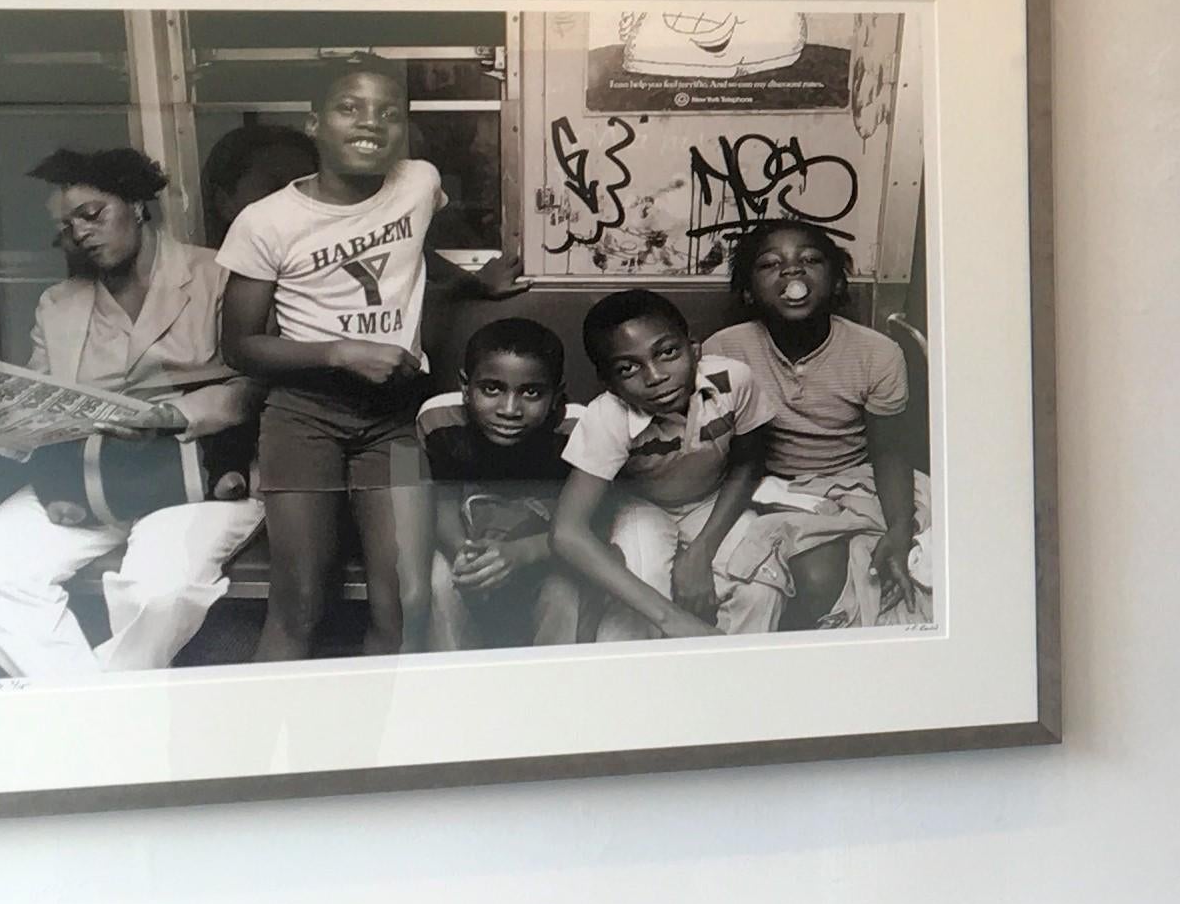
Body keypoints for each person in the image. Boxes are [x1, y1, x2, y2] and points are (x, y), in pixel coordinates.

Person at [216, 54, 520, 659]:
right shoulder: (266, 221)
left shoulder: (418, 182)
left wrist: (471, 283)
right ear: (314, 123)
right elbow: (238, 346)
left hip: (395, 424)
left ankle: (385, 747)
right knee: (300, 602)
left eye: (389, 112)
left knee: (407, 601)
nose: (370, 123)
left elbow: (408, 256)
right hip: (303, 420)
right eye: (349, 107)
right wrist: (340, 352)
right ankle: (266, 749)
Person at [0, 149, 264, 677]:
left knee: (159, 593)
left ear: (136, 205)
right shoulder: (58, 304)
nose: (81, 233)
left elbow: (256, 387)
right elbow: (44, 408)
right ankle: (98, 710)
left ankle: (97, 718)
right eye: (67, 226)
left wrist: (173, 414)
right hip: (89, 479)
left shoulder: (216, 275)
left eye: (92, 214)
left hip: (197, 470)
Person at [702, 218, 927, 629]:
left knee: (902, 568)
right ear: (749, 292)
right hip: (773, 487)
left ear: (838, 284)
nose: (792, 272)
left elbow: (889, 450)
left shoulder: (878, 353)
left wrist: (898, 526)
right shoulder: (724, 350)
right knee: (818, 578)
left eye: (809, 260)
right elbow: (730, 456)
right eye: (771, 264)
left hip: (859, 479)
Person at [550, 288, 775, 642]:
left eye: (668, 353)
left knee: (762, 578)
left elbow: (749, 463)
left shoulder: (733, 380)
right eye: (628, 368)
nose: (655, 376)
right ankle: (635, 690)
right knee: (638, 584)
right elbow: (567, 533)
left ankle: (735, 682)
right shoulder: (609, 416)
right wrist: (671, 618)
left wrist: (701, 551)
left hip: (711, 501)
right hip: (643, 507)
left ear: (695, 348)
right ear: (608, 382)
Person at [418, 316, 585, 651]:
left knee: (564, 588)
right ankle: (457, 685)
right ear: (466, 387)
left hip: (547, 549)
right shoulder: (436, 419)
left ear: (556, 396)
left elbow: (590, 525)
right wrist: (464, 554)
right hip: (473, 541)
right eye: (491, 389)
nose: (510, 409)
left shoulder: (579, 429)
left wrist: (522, 554)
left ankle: (553, 687)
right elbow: (441, 502)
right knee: (439, 576)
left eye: (531, 393)